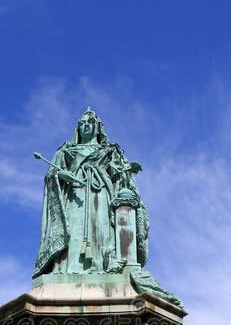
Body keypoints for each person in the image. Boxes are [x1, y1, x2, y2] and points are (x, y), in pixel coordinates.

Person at [33, 109, 148, 278]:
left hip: (100, 194)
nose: (86, 125)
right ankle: (67, 266)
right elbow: (51, 176)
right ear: (78, 128)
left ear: (98, 128)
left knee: (102, 230)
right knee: (73, 231)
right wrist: (62, 175)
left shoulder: (110, 151)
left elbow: (121, 177)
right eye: (82, 123)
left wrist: (124, 173)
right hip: (74, 195)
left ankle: (104, 264)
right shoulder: (65, 151)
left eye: (90, 122)